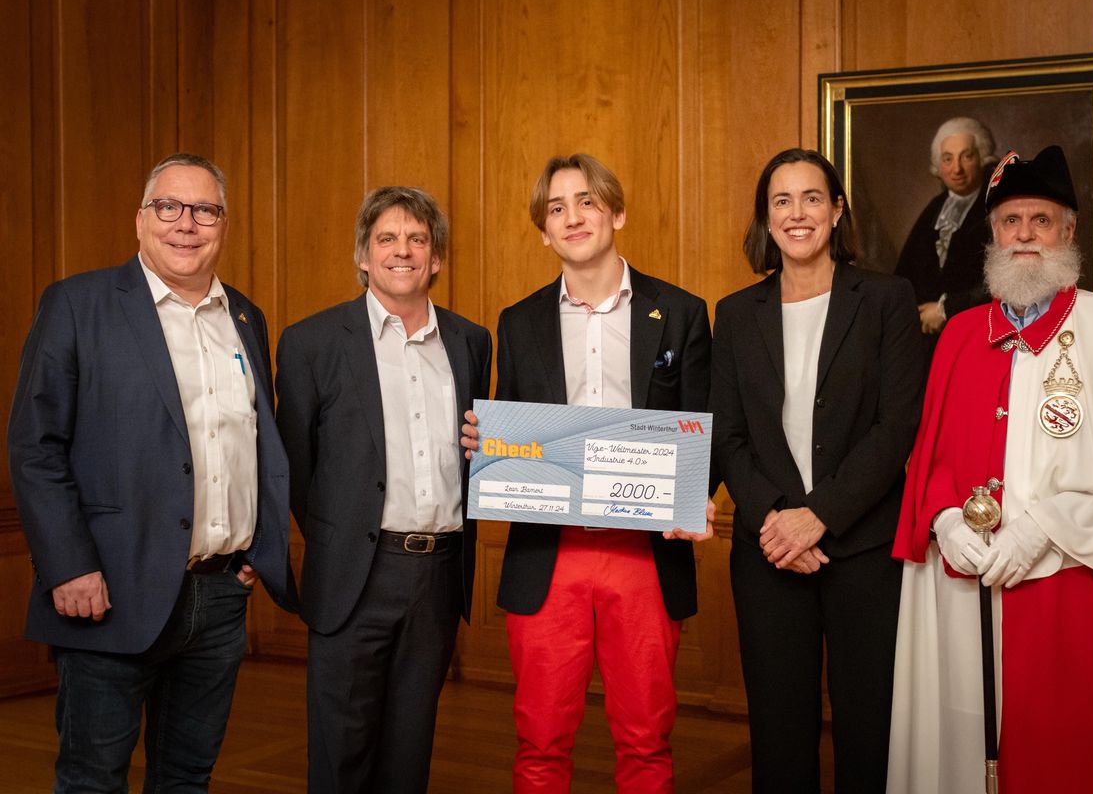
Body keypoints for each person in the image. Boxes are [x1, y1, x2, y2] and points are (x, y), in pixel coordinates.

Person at [888, 146, 1093, 793]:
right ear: (992, 234)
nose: (1024, 235)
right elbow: (933, 455)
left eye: (1041, 220)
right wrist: (945, 519)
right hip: (966, 587)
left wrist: (1042, 526)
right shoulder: (960, 335)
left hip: (1075, 593)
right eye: (1010, 221)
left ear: (1069, 231)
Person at [7, 153, 296, 791]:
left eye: (205, 210)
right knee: (92, 778)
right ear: (141, 220)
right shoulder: (78, 304)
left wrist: (255, 549)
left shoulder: (245, 318)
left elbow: (253, 444)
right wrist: (69, 565)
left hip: (219, 596)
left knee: (188, 776)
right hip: (107, 589)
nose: (186, 224)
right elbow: (35, 446)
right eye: (169, 207)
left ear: (224, 224)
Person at [460, 153, 713, 793]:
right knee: (540, 741)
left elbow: (701, 425)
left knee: (646, 740)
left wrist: (693, 496)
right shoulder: (518, 323)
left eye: (587, 202)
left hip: (646, 554)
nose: (573, 217)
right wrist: (485, 444)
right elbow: (515, 437)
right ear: (544, 231)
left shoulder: (680, 312)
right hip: (550, 553)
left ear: (616, 213)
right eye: (556, 208)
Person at [709, 148, 924, 792]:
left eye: (810, 198)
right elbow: (728, 434)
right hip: (768, 551)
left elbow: (897, 428)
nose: (797, 213)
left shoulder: (887, 298)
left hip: (863, 550)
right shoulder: (735, 313)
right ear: (765, 220)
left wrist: (818, 517)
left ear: (835, 210)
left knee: (870, 731)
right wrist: (777, 520)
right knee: (778, 736)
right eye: (781, 201)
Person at [275, 187, 491, 793]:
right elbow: (295, 466)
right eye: (387, 239)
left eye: (418, 239)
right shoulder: (311, 343)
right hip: (354, 574)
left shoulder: (471, 342)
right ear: (364, 257)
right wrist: (341, 536)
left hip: (439, 575)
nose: (403, 251)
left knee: (408, 754)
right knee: (341, 756)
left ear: (437, 257)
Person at [894, 117, 996, 348]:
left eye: (966, 156)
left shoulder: (996, 208)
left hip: (976, 334)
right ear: (938, 166)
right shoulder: (934, 208)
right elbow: (904, 274)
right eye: (948, 159)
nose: (957, 168)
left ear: (982, 158)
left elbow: (1001, 284)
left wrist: (945, 309)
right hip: (924, 337)